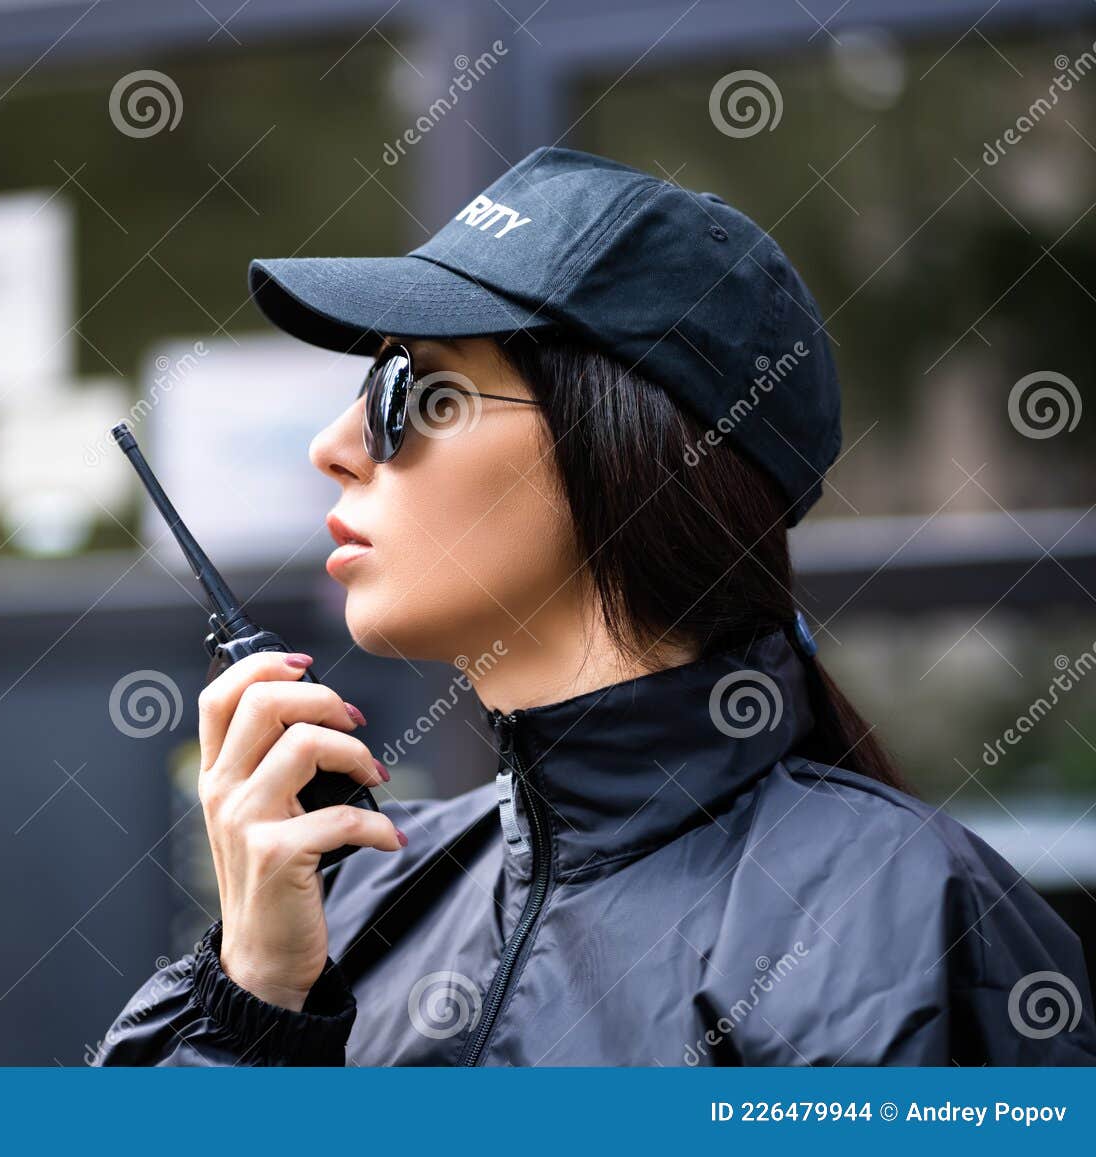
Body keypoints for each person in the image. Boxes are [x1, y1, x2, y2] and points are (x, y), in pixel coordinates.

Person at [94, 148, 1096, 1066]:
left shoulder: (896, 919)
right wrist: (253, 1000)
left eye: (410, 388)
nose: (336, 441)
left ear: (623, 448)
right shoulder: (352, 901)